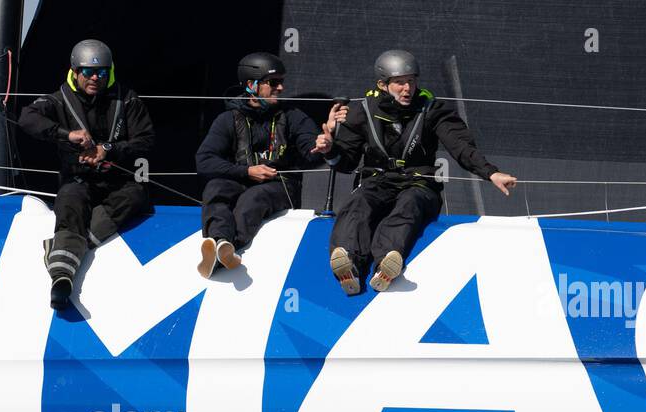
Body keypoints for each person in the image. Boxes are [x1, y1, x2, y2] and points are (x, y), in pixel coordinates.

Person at [313, 49, 518, 295]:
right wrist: (329, 149)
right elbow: (345, 162)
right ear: (382, 84)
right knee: (358, 202)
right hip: (378, 180)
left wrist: (491, 173)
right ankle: (348, 262)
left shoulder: (432, 109)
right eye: (399, 82)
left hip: (419, 183)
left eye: (411, 81)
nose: (407, 88)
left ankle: (386, 264)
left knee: (409, 204)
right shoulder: (362, 111)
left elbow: (460, 145)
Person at [18, 39, 155, 309]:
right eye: (89, 72)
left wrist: (109, 149)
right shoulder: (57, 100)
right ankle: (61, 278)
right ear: (75, 71)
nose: (95, 78)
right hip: (78, 177)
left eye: (102, 73)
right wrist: (67, 135)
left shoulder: (127, 99)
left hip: (117, 179)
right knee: (69, 198)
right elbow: (27, 118)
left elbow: (146, 139)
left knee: (138, 194)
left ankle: (69, 251)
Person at [194, 53, 343, 279]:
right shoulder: (228, 119)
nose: (281, 88)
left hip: (280, 185)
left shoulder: (292, 116)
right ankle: (218, 242)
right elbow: (204, 160)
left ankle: (229, 247)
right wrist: (245, 171)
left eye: (282, 81)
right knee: (215, 188)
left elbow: (310, 150)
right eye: (273, 83)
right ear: (252, 85)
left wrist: (322, 144)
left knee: (253, 198)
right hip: (241, 180)